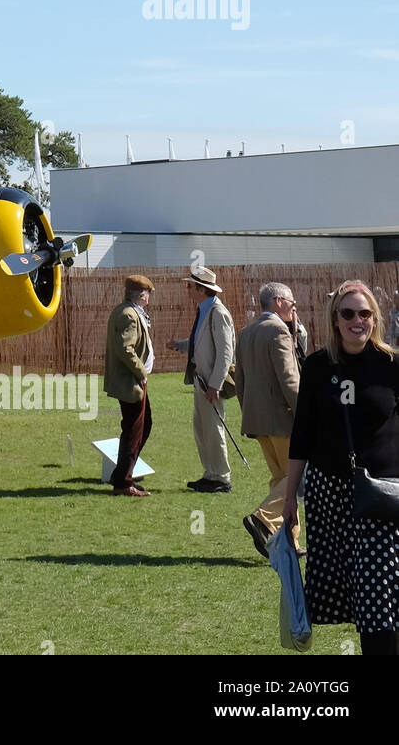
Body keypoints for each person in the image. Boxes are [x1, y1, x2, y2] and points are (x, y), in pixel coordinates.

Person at [284, 280, 399, 655]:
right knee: (357, 595)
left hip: (381, 498)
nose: (357, 321)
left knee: (376, 595)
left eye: (364, 314)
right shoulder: (318, 366)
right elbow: (302, 435)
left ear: (374, 319)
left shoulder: (391, 364)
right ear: (335, 319)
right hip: (329, 497)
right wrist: (289, 500)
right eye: (348, 313)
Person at [234, 281, 302, 558]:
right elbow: (290, 379)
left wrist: (248, 411)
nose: (294, 306)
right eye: (291, 302)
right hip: (282, 419)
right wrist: (307, 415)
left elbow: (240, 381)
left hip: (257, 419)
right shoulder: (277, 330)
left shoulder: (247, 331)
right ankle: (263, 519)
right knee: (297, 479)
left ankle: (288, 541)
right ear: (278, 301)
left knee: (280, 480)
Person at [167, 266, 236, 493]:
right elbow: (200, 340)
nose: (187, 288)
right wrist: (180, 345)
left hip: (209, 382)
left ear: (201, 289)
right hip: (200, 379)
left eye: (190, 285)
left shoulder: (218, 312)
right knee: (202, 428)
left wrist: (216, 384)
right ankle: (210, 474)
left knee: (213, 428)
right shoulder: (205, 309)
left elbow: (226, 352)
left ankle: (221, 478)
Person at [103, 274, 156, 497]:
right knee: (134, 430)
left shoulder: (126, 311)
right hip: (131, 382)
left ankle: (121, 474)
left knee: (142, 426)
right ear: (141, 295)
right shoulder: (129, 315)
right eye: (148, 294)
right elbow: (126, 349)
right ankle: (123, 482)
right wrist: (142, 372)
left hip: (132, 380)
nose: (149, 297)